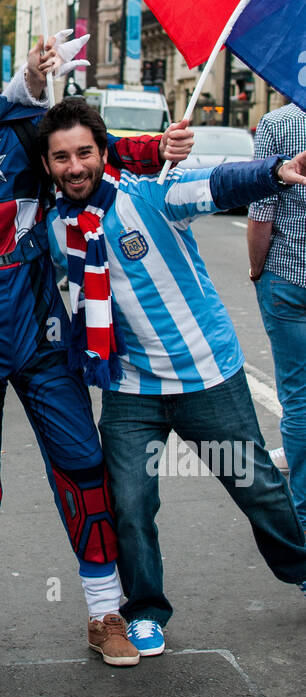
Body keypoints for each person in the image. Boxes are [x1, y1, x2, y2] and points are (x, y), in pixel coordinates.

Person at [0, 25, 193, 675]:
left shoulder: (26, 126)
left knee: (83, 465)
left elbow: (85, 155)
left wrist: (156, 146)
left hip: (42, 326)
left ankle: (106, 611)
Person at [40, 97, 306, 655]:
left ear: (103, 152)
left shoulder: (151, 195)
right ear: (48, 166)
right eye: (61, 157)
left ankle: (301, 568)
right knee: (131, 506)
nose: (75, 166)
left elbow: (220, 184)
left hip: (207, 376)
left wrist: (276, 172)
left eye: (84, 152)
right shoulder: (52, 227)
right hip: (131, 389)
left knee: (258, 490)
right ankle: (145, 611)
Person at [248, 102, 306, 530]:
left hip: (288, 277)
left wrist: (256, 268)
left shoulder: (278, 124)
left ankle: (303, 519)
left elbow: (261, 214)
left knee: (300, 399)